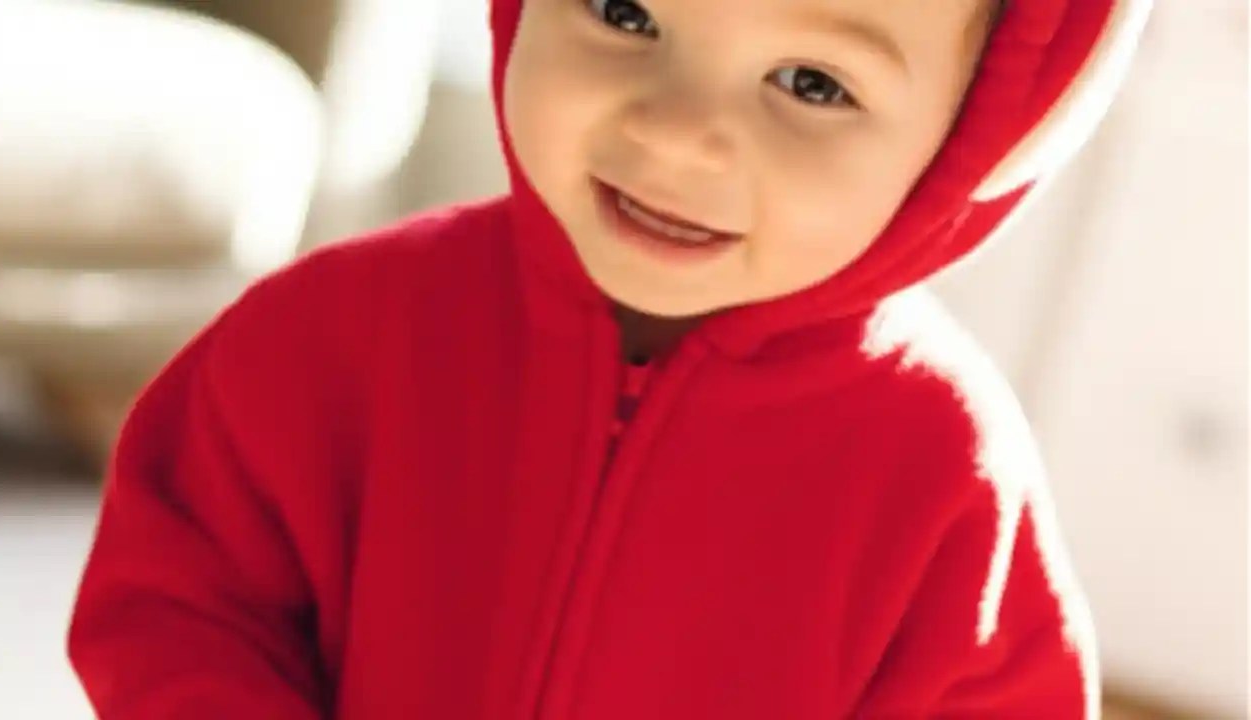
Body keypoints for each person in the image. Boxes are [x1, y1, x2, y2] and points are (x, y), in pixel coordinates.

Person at [67, 0, 1150, 717]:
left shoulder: (942, 472)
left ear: (970, 138)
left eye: (811, 85)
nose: (678, 133)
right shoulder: (333, 332)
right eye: (624, 10)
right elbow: (178, 596)